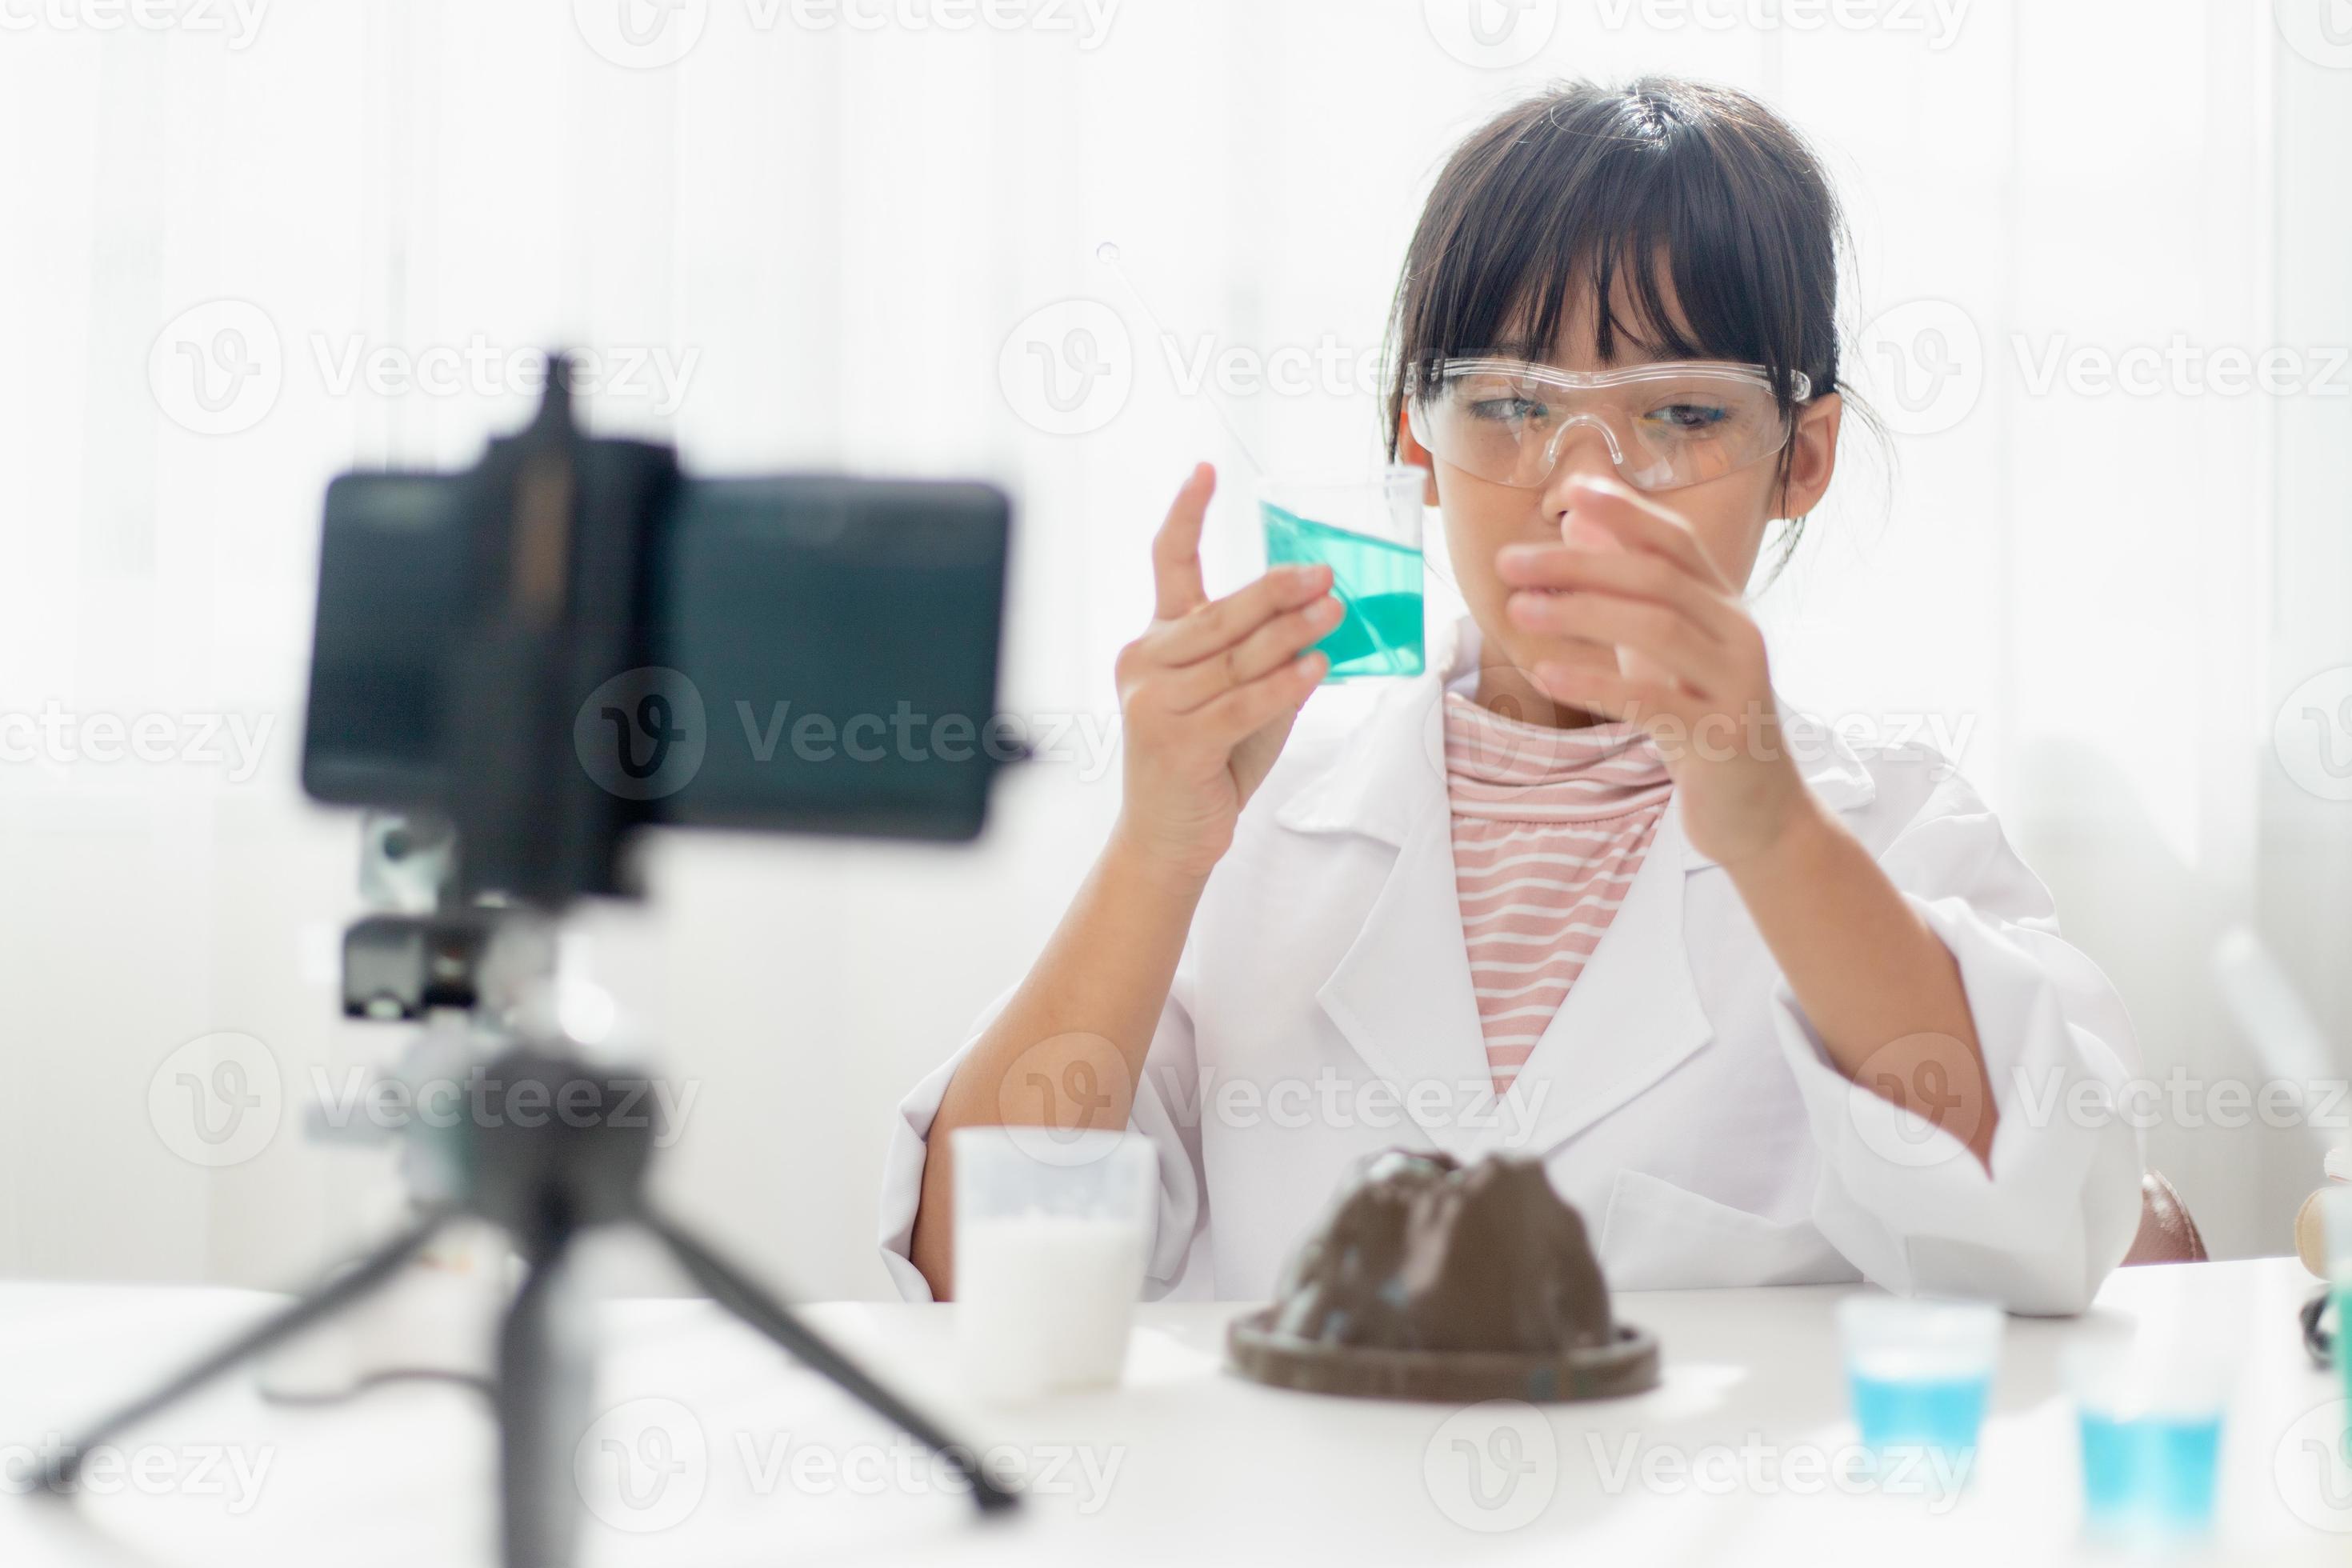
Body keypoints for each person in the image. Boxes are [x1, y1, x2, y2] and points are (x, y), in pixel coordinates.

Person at [880, 77, 2143, 1314]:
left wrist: (1770, 830)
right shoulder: (1258, 832)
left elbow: (2046, 1228)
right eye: (1513, 407)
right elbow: (964, 1276)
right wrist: (1158, 853)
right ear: (1415, 444)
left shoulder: (1895, 835)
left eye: (1686, 413)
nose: (1582, 491)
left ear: (1799, 459)